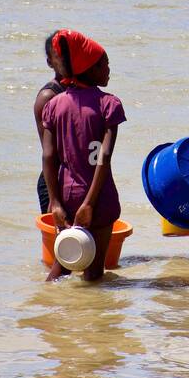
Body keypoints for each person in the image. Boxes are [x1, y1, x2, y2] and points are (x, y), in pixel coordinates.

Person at [41, 30, 126, 283]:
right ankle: (91, 319)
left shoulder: (54, 105)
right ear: (90, 68)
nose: (109, 70)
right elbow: (104, 155)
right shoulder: (109, 104)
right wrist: (89, 204)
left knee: (62, 264)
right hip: (98, 197)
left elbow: (48, 156)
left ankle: (45, 308)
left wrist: (55, 202)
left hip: (66, 196)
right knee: (93, 273)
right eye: (104, 64)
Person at [34, 30, 65, 215]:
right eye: (58, 56)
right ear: (49, 62)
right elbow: (51, 153)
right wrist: (54, 200)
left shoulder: (80, 90)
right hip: (54, 180)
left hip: (75, 179)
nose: (64, 59)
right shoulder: (49, 96)